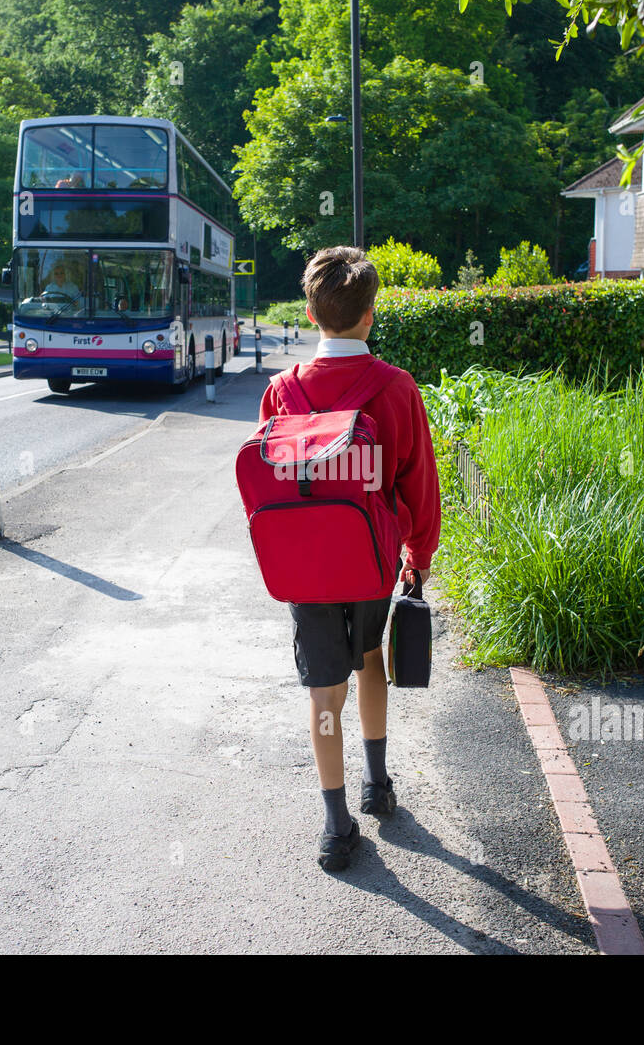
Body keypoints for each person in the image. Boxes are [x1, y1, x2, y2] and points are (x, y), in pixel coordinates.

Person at [257, 246, 440, 872]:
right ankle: (377, 783)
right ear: (371, 313)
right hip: (372, 560)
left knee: (321, 688)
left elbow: (272, 483)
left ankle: (336, 825)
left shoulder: (281, 392)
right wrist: (420, 552)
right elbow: (418, 481)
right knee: (369, 661)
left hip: (306, 566)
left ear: (311, 312)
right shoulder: (395, 388)